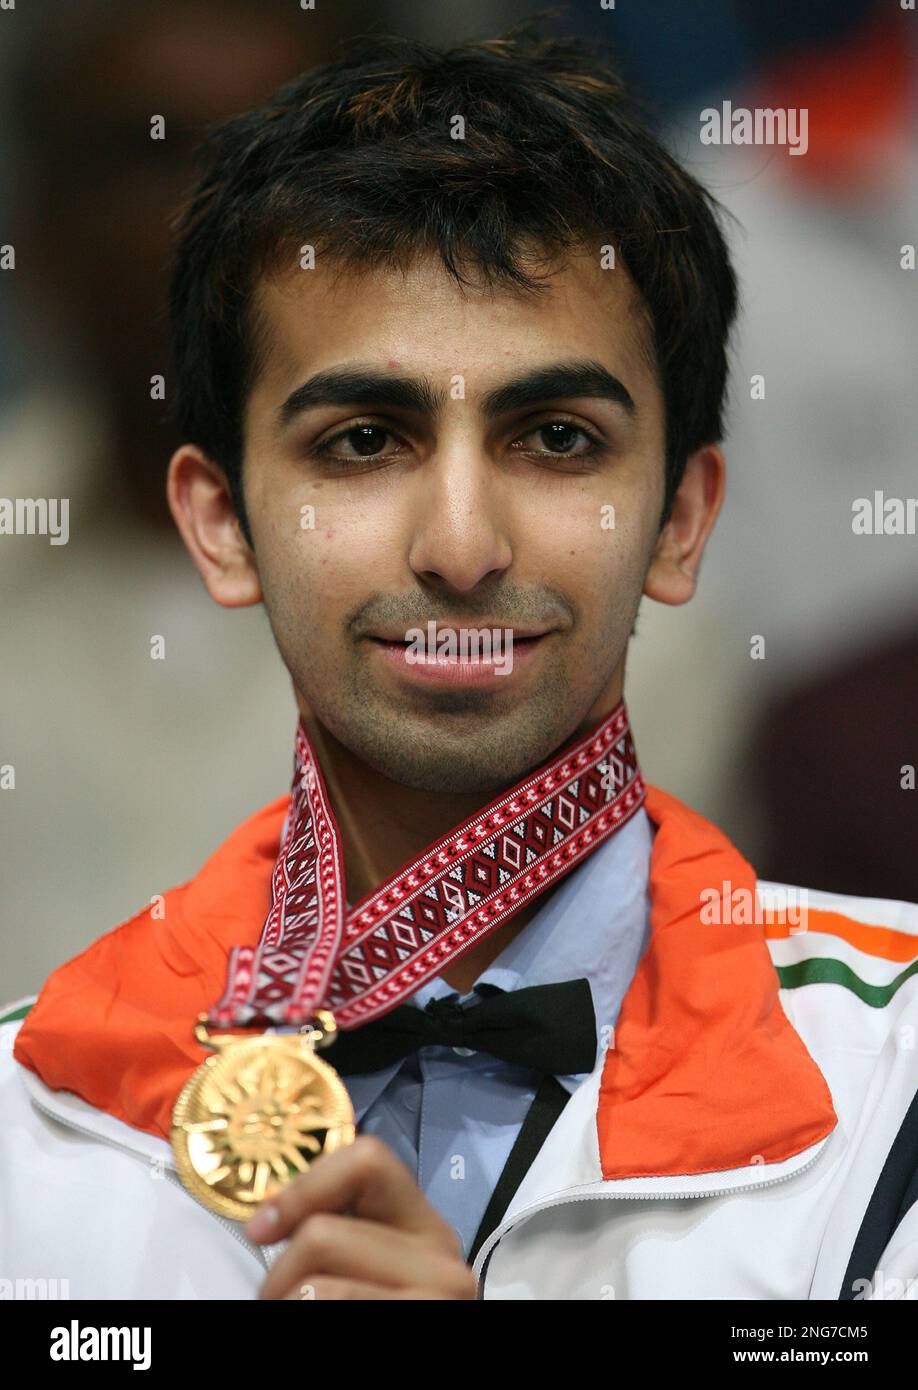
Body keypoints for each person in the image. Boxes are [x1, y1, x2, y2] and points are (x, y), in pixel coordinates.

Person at [2, 25, 916, 1302]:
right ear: (222, 524)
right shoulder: (28, 1116)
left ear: (682, 518)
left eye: (554, 437)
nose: (461, 545)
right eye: (366, 440)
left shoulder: (896, 1079)